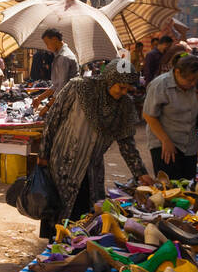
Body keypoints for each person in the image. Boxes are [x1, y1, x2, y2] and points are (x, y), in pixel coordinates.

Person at [37, 63, 153, 234]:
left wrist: (140, 172)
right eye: (121, 87)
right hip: (63, 162)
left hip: (92, 168)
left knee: (87, 216)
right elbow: (54, 119)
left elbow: (126, 142)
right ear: (110, 79)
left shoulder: (125, 106)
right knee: (57, 209)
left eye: (127, 89)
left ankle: (76, 250)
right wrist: (43, 153)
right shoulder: (78, 87)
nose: (123, 93)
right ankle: (54, 251)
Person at [142, 54, 198, 181]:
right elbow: (148, 115)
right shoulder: (160, 85)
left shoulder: (196, 84)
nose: (193, 83)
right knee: (170, 188)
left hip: (189, 145)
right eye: (189, 80)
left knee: (188, 187)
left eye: (196, 79)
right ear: (177, 72)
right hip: (164, 143)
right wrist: (165, 140)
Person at [42, 28, 78, 96]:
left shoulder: (63, 57)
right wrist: (40, 98)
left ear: (54, 39)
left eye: (47, 43)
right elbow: (56, 85)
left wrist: (48, 106)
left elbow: (61, 88)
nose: (47, 47)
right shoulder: (59, 56)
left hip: (68, 98)